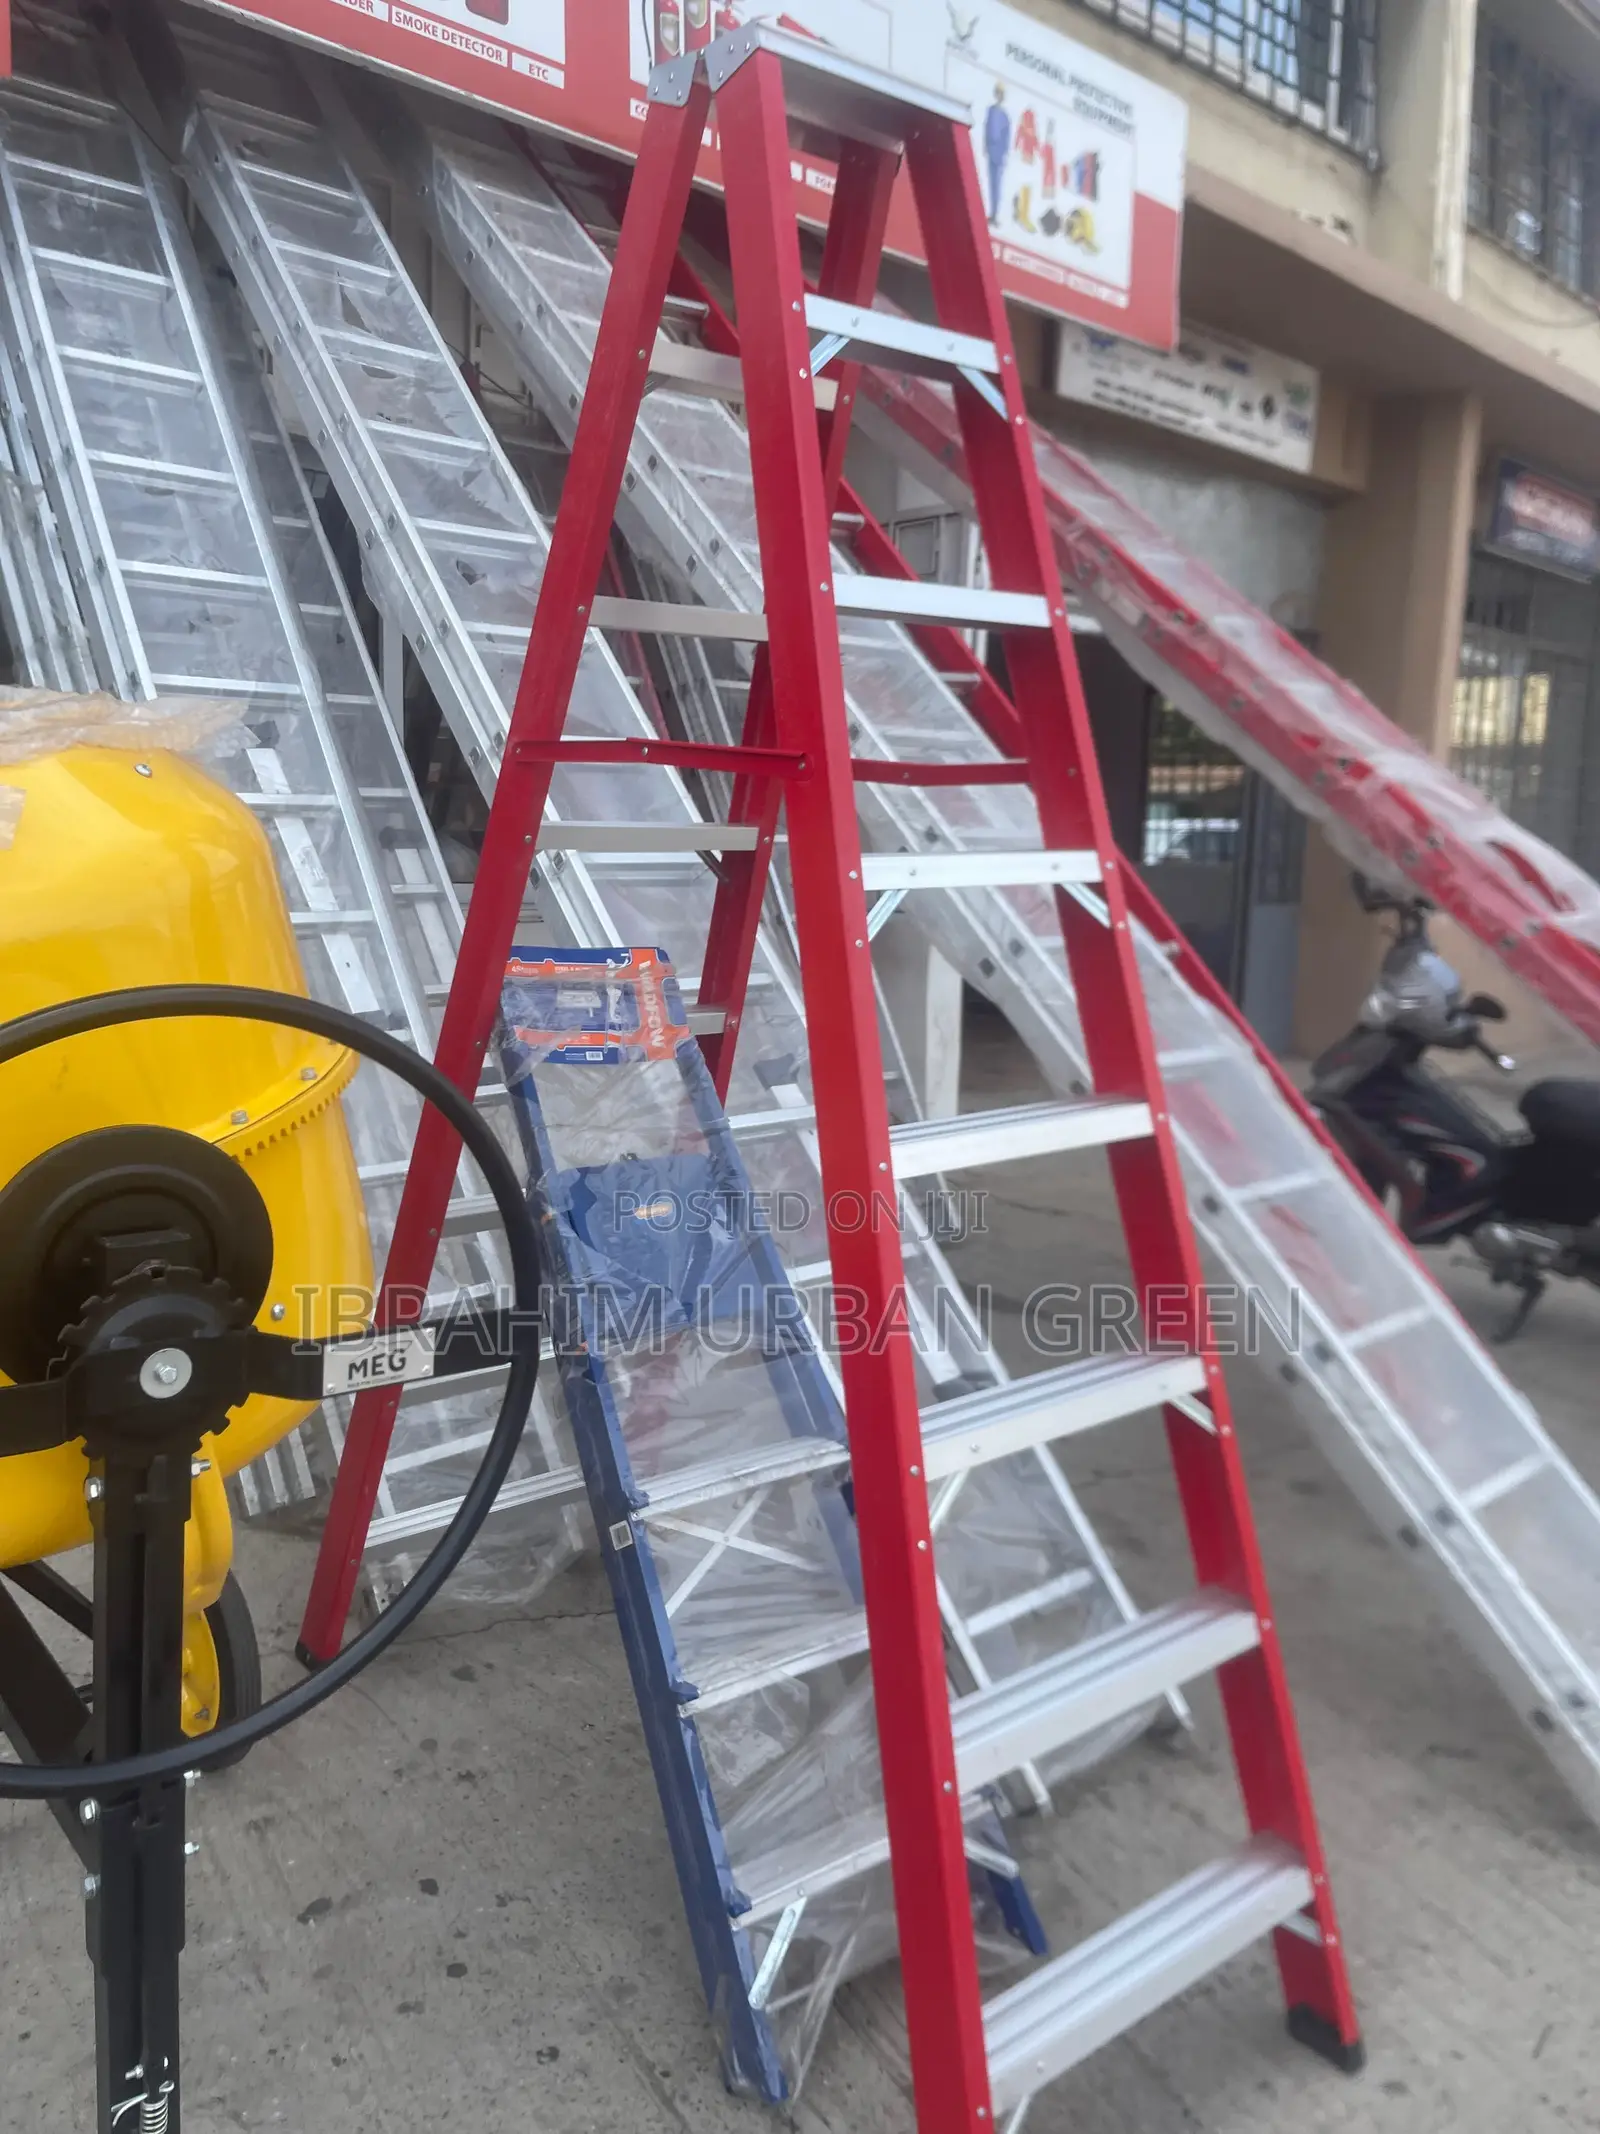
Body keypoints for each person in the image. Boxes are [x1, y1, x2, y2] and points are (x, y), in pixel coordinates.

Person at [983, 84, 1010, 229]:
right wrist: (985, 146)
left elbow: (1006, 137)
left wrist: (1004, 154)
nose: (999, 96)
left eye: (1001, 94)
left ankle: (995, 214)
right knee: (991, 184)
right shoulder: (991, 111)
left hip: (999, 155)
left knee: (997, 186)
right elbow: (987, 129)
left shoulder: (1005, 116)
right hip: (991, 152)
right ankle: (991, 213)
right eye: (998, 93)